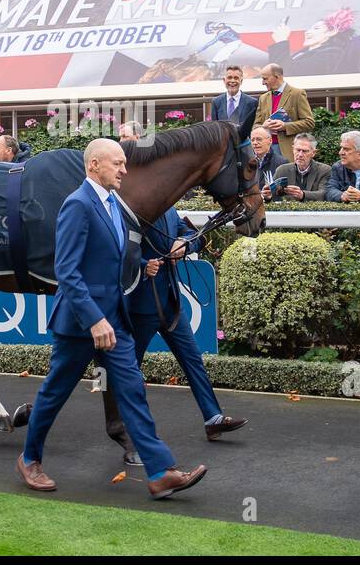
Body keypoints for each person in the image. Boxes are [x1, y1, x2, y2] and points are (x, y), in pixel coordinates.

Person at [16, 138, 206, 498]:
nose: (124, 169)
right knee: (55, 392)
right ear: (94, 166)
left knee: (132, 389)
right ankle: (29, 458)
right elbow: (67, 271)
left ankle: (160, 472)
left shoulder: (114, 205)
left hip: (115, 320)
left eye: (124, 163)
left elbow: (114, 257)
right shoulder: (77, 205)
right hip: (79, 323)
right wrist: (93, 320)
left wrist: (143, 265)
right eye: (117, 163)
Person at [129, 205, 247, 441]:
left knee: (193, 360)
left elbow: (196, 237)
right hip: (142, 307)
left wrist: (183, 244)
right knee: (129, 368)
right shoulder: (134, 207)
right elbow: (118, 248)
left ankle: (213, 418)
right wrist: (143, 265)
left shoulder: (169, 209)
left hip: (172, 303)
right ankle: (125, 424)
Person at [252, 63, 314, 162]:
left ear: (277, 77)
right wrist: (263, 127)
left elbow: (309, 122)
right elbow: (255, 126)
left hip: (288, 150)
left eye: (265, 79)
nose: (263, 82)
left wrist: (284, 126)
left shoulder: (297, 94)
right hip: (266, 151)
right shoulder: (263, 98)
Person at [274, 133, 331, 200]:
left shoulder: (324, 170)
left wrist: (303, 195)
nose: (300, 154)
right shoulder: (282, 170)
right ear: (293, 149)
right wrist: (268, 196)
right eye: (298, 150)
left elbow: (324, 194)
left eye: (305, 151)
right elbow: (274, 195)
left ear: (314, 153)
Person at [209, 65, 258, 131]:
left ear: (241, 81)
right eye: (229, 77)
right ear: (224, 80)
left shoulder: (252, 102)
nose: (232, 81)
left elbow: (254, 126)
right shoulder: (216, 102)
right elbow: (214, 127)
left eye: (236, 78)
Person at [249, 125, 288, 201]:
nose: (255, 143)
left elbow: (285, 194)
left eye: (259, 139)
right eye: (252, 140)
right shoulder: (245, 163)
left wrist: (270, 197)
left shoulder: (282, 163)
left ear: (270, 141)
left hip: (272, 209)